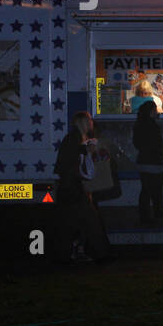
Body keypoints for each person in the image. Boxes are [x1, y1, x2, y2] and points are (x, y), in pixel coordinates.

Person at [53, 111, 112, 263]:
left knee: (76, 223)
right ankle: (99, 253)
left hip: (74, 188)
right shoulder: (74, 140)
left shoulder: (78, 139)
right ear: (84, 122)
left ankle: (76, 252)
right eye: (90, 120)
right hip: (74, 188)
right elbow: (70, 163)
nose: (92, 123)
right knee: (88, 221)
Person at [133, 100, 163, 226]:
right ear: (151, 111)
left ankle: (146, 214)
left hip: (144, 160)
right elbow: (157, 142)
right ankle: (155, 212)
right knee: (155, 189)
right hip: (154, 161)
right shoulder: (152, 125)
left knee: (147, 190)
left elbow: (137, 143)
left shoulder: (139, 124)